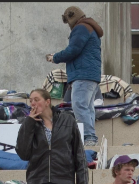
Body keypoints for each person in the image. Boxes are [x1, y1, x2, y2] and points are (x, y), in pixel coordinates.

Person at [46, 6, 103, 147]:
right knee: (87, 107)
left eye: (68, 22)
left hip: (82, 75)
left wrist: (55, 57)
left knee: (79, 106)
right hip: (90, 75)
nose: (69, 26)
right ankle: (91, 137)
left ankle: (88, 137)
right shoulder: (90, 28)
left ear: (72, 17)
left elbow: (73, 50)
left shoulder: (81, 28)